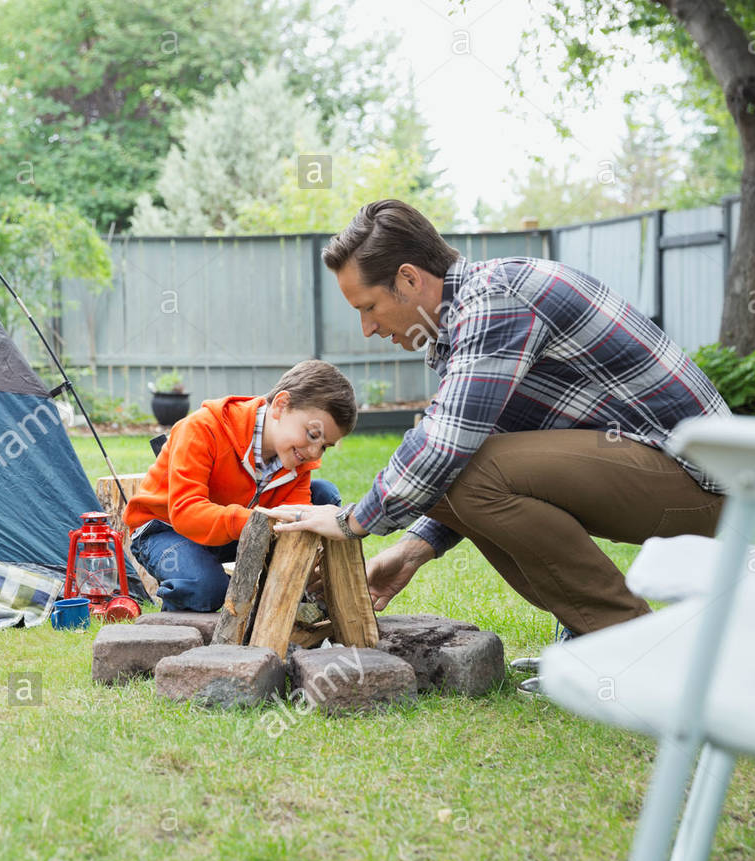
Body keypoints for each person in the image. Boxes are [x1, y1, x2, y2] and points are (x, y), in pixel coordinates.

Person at [265, 199, 729, 672]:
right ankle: (594, 634)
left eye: (369, 307)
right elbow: (470, 451)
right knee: (454, 469)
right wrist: (410, 552)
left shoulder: (498, 300)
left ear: (408, 278)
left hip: (699, 482)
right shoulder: (467, 319)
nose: (367, 328)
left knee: (452, 465)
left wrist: (350, 522)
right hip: (657, 474)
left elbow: (447, 449)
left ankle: (628, 647)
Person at [125, 360, 357, 612]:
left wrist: (301, 559)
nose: (314, 452)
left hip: (232, 532)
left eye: (324, 446)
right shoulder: (203, 428)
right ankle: (187, 605)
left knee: (323, 496)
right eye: (313, 435)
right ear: (281, 405)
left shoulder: (297, 459)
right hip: (166, 529)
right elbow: (186, 513)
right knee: (205, 588)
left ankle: (286, 599)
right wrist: (257, 520)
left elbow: (291, 524)